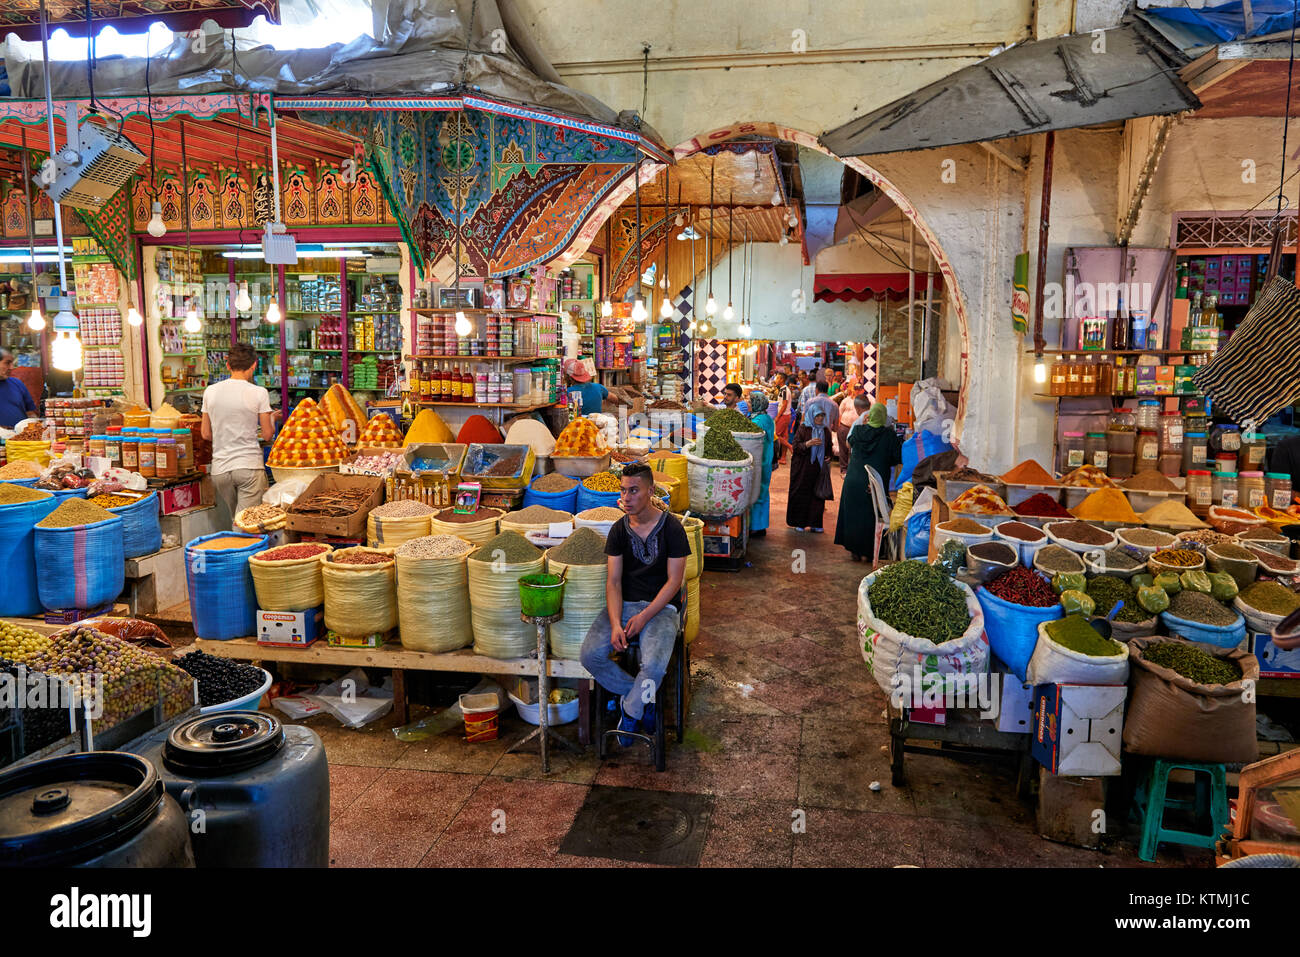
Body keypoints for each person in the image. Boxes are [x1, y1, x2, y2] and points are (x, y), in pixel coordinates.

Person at [580, 463, 691, 743]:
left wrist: (643, 618)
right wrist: (616, 623)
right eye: (623, 490)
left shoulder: (672, 528)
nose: (626, 498)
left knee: (653, 667)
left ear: (650, 491)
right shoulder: (618, 530)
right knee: (589, 656)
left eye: (634, 491)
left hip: (662, 608)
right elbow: (613, 582)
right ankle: (643, 698)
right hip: (624, 604)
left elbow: (673, 582)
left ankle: (630, 709)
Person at [202, 342, 274, 529]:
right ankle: (239, 556)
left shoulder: (210, 391)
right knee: (244, 525)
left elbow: (205, 433)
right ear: (254, 365)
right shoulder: (259, 393)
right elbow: (267, 435)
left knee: (237, 520)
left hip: (220, 471)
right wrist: (272, 418)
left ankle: (236, 551)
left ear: (228, 365)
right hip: (248, 467)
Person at [836, 400, 903, 562]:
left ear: (869, 416)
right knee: (871, 515)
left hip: (853, 481)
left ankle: (854, 550)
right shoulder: (889, 435)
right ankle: (869, 550)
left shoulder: (858, 430)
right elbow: (896, 458)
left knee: (853, 514)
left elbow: (849, 444)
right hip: (874, 484)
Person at [786, 406, 834, 533]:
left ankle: (815, 523)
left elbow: (829, 447)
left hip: (818, 468)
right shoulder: (803, 428)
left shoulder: (825, 430)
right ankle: (800, 523)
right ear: (811, 416)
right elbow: (795, 447)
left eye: (822, 416)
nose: (819, 418)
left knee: (817, 495)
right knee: (802, 493)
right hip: (803, 467)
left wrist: (829, 456)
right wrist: (808, 444)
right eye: (817, 416)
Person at [747, 388, 775, 537]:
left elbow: (752, 438)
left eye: (750, 401)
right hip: (765, 459)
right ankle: (760, 525)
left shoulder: (759, 421)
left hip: (760, 460)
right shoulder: (765, 417)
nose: (748, 403)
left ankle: (757, 527)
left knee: (757, 493)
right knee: (762, 491)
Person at [0, 349, 39, 429]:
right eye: (7, 363)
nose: (12, 367)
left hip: (20, 439)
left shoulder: (17, 383)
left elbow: (30, 413)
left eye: (12, 363)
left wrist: (37, 427)